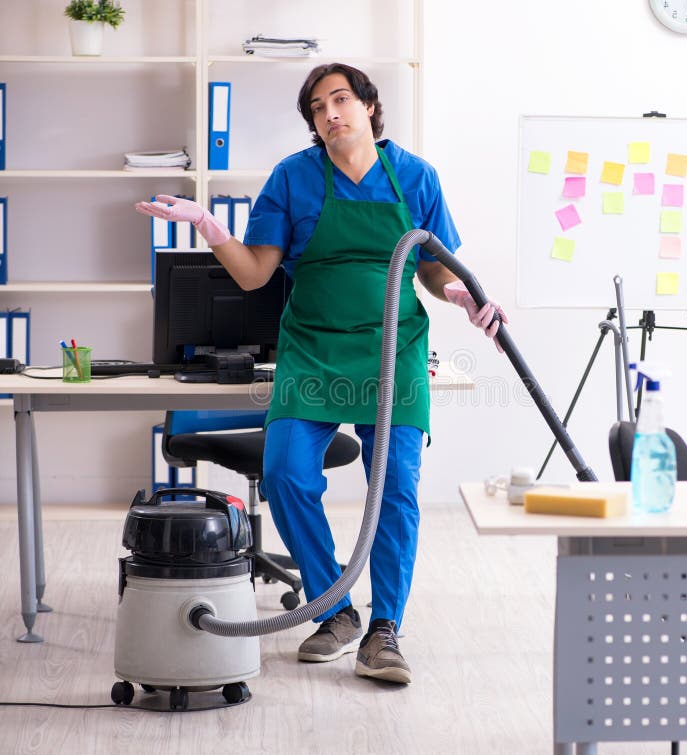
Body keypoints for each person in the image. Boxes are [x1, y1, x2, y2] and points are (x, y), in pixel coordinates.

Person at [135, 63, 506, 685]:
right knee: (283, 472)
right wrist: (207, 225)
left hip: (394, 348)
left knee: (395, 489)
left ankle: (385, 629)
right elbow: (254, 273)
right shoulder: (293, 178)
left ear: (367, 106)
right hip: (311, 348)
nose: (329, 113)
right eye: (316, 107)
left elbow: (436, 269)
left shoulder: (415, 176)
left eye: (340, 99)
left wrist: (465, 298)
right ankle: (334, 611)